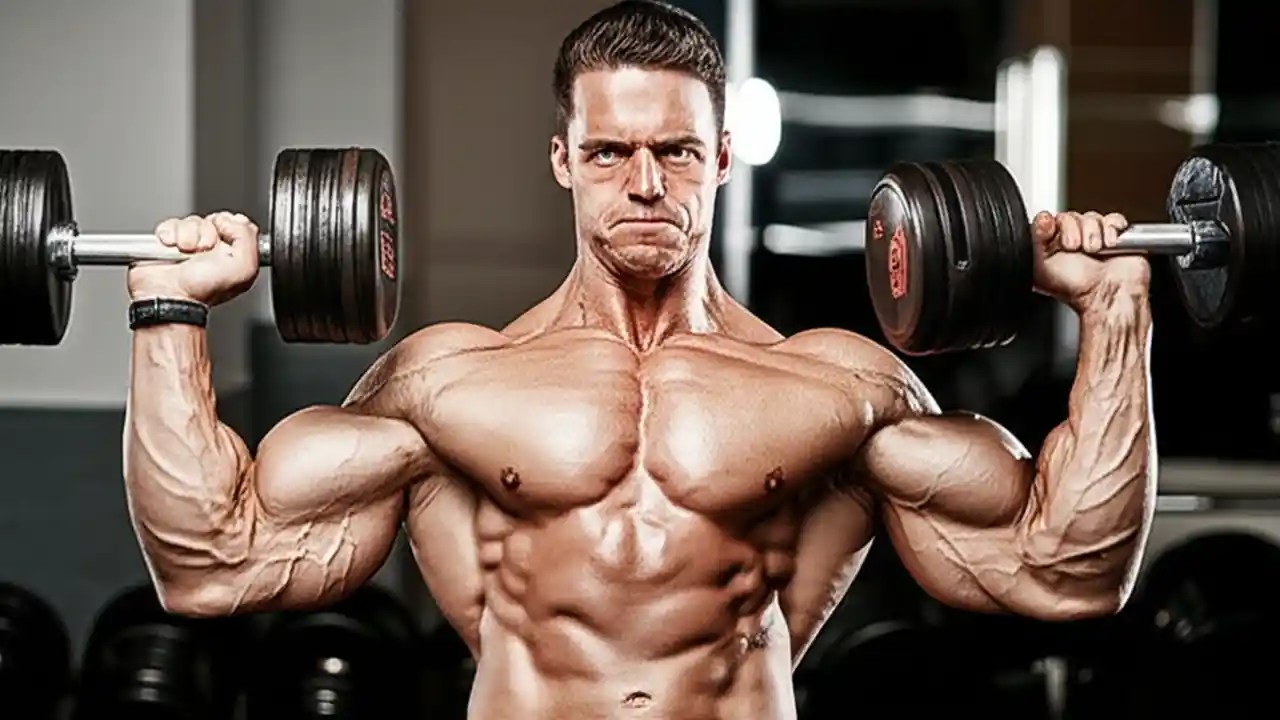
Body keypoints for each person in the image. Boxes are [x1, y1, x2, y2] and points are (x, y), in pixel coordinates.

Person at [121, 1, 1157, 718]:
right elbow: (211, 566)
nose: (646, 182)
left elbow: (1061, 574)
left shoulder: (839, 389)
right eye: (611, 152)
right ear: (563, 159)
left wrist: (1114, 318)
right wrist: (169, 308)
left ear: (719, 155)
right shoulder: (446, 385)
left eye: (674, 151)